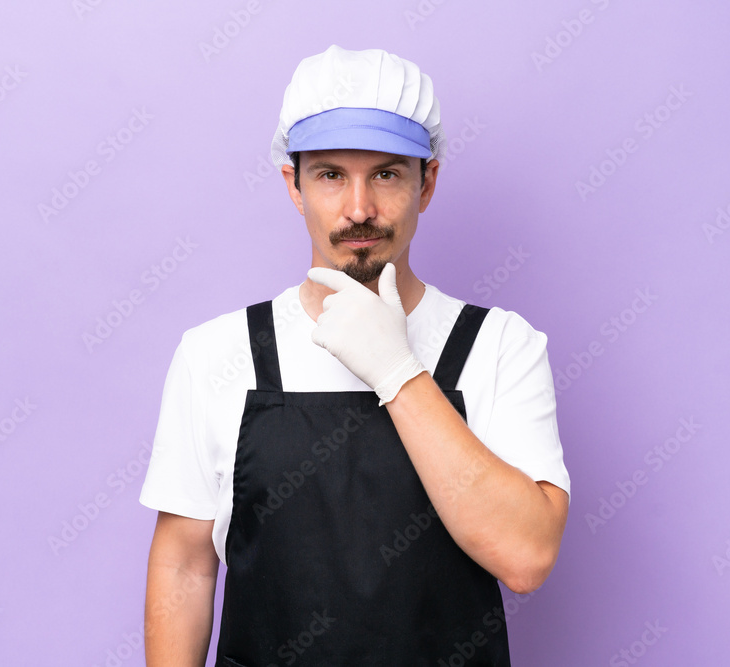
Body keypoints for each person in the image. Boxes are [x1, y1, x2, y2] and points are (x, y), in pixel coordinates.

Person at [139, 44, 570, 666]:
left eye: (388, 173)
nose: (359, 208)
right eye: (331, 174)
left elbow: (526, 557)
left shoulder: (501, 345)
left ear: (429, 183)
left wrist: (398, 372)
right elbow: (183, 565)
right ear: (294, 184)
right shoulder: (218, 353)